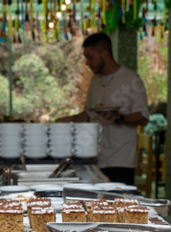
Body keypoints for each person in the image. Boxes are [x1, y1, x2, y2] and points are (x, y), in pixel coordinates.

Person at [58, 33, 149, 185]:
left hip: (120, 162)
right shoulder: (95, 82)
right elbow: (88, 114)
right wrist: (63, 121)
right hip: (94, 159)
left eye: (90, 57)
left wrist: (120, 117)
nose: (87, 63)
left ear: (104, 54)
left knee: (120, 207)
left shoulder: (131, 80)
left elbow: (143, 117)